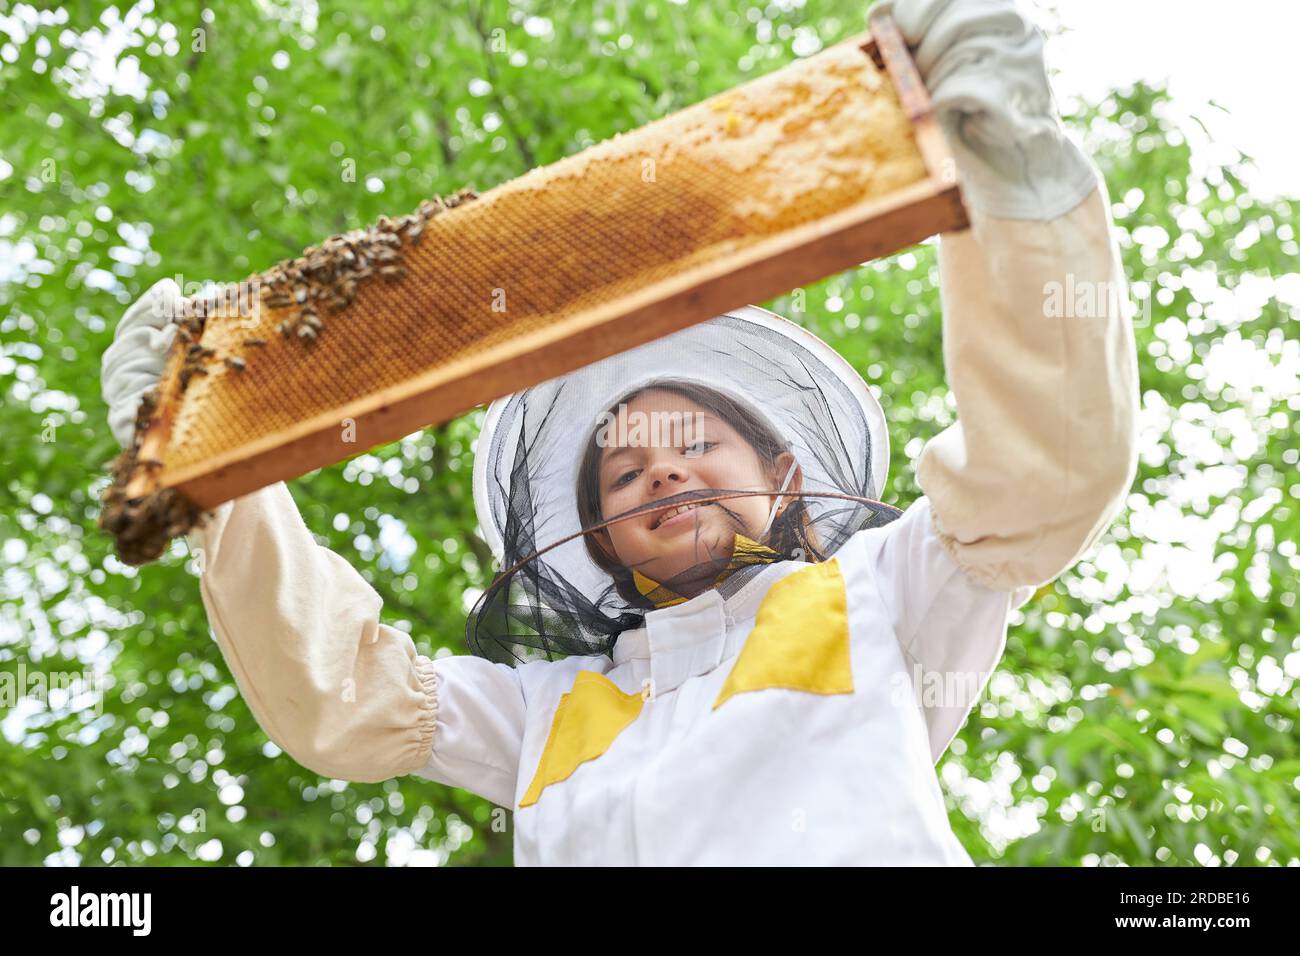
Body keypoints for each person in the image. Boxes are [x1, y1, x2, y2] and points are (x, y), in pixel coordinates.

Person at [99, 0, 1139, 865]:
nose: (662, 472)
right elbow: (339, 697)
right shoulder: (544, 707)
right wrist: (215, 476)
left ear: (782, 478)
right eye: (625, 467)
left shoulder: (883, 590)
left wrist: (1018, 191)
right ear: (598, 530)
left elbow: (1038, 479)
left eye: (697, 445)